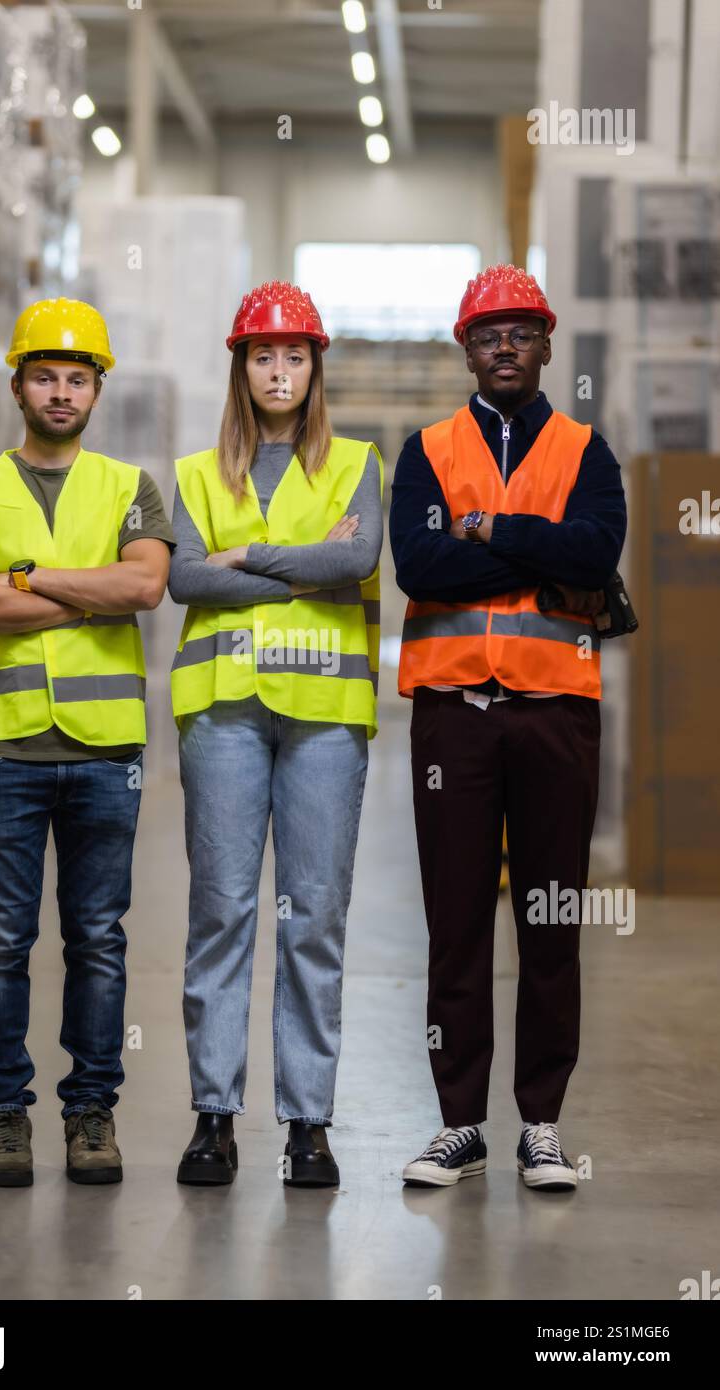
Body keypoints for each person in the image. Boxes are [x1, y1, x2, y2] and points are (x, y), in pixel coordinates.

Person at [389, 265, 626, 1191]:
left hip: (554, 716)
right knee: (455, 924)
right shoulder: (426, 449)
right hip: (455, 718)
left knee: (549, 921)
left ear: (544, 345)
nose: (503, 346)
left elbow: (594, 553)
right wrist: (529, 546)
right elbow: (420, 564)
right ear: (465, 347)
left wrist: (484, 529)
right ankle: (458, 1123)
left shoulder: (585, 449)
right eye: (487, 333)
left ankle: (539, 1123)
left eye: (520, 332)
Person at [0, 297, 175, 1187]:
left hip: (106, 750)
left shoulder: (129, 487)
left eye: (77, 377)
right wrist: (83, 592)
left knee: (98, 938)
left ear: (97, 390)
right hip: (1, 748)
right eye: (45, 376)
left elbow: (145, 589)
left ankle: (90, 1114)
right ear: (18, 385)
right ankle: (3, 1113)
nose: (61, 391)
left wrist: (25, 577)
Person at [168, 280, 383, 1188]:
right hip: (221, 714)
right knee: (221, 911)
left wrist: (246, 558)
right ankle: (214, 1118)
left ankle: (308, 1125)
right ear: (240, 366)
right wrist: (302, 570)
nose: (280, 369)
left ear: (315, 366)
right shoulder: (193, 473)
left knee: (314, 918)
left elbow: (358, 558)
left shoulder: (358, 462)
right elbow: (183, 580)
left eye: (296, 355)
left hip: (326, 721)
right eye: (264, 354)